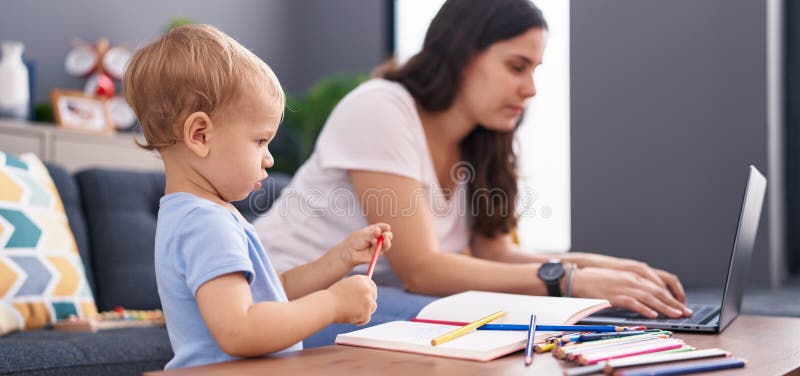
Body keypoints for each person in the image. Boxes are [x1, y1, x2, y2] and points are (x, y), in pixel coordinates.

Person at [255, 0, 692, 341]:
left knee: (538, 321)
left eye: (535, 70)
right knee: (496, 327)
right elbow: (422, 270)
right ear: (463, 56)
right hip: (278, 301)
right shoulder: (381, 108)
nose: (531, 89)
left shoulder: (481, 139)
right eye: (517, 67)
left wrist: (606, 269)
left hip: (362, 296)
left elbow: (495, 253)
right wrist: (573, 281)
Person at [123, 24, 392, 369]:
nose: (269, 158)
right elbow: (240, 329)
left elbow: (274, 290)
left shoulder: (202, 215)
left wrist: (339, 260)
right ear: (200, 135)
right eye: (260, 141)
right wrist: (332, 304)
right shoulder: (205, 224)